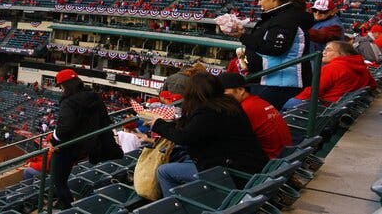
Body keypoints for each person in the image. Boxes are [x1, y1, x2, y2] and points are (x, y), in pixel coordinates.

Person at [141, 73, 269, 197]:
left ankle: (177, 206)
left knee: (164, 172)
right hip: (249, 165)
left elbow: (184, 138)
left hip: (232, 172)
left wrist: (158, 124)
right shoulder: (227, 104)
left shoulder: (208, 111)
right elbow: (194, 127)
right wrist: (166, 123)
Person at [225, 0, 313, 109]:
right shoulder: (280, 16)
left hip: (281, 83)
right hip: (270, 80)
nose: (259, 3)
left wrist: (242, 37)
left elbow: (275, 49)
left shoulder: (286, 19)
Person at [49, 69, 123, 209]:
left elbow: (65, 128)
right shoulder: (94, 96)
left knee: (57, 180)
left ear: (66, 85)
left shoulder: (68, 101)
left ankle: (68, 208)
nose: (61, 89)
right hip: (92, 144)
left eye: (61, 86)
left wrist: (53, 141)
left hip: (72, 147)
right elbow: (104, 120)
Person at [217, 72, 291, 159]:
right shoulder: (258, 102)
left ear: (241, 90)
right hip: (283, 158)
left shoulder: (245, 109)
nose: (219, 98)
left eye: (223, 93)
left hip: (271, 163)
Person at [284, 41, 373, 111]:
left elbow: (314, 91)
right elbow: (373, 85)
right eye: (324, 49)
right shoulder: (362, 67)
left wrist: (295, 99)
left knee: (283, 106)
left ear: (343, 54)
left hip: (326, 108)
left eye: (328, 50)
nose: (324, 52)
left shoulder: (335, 67)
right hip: (341, 107)